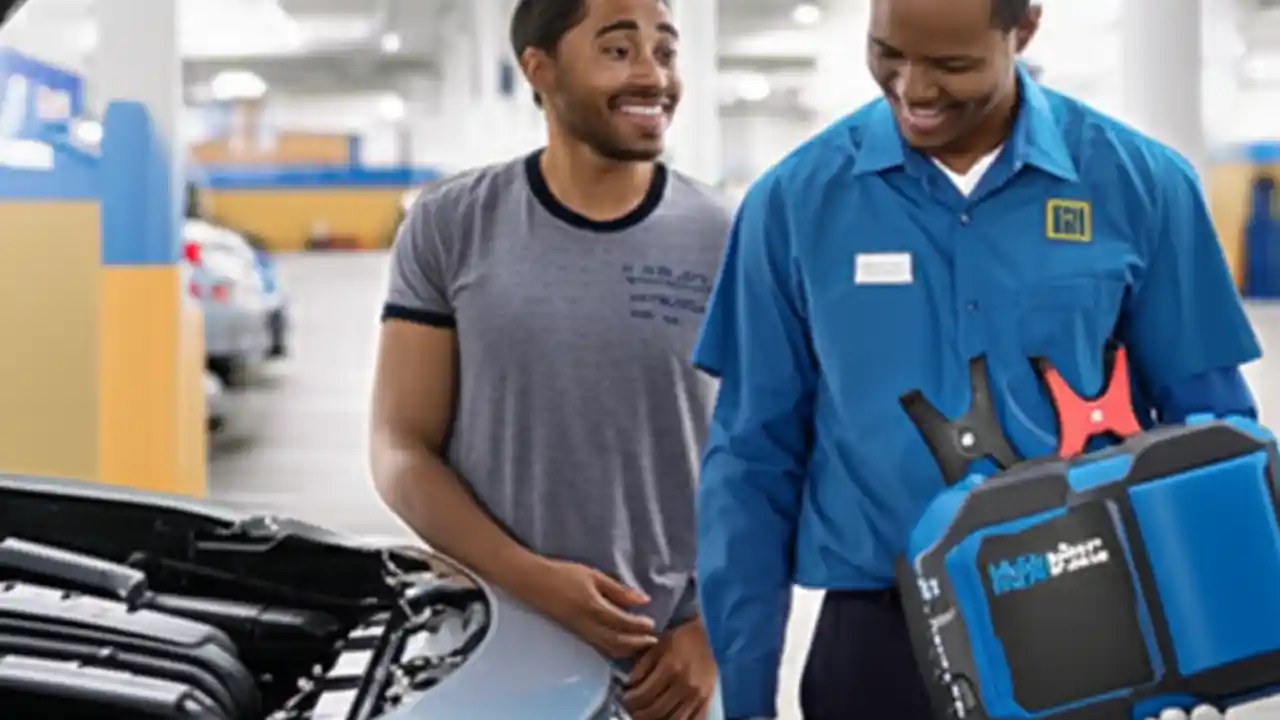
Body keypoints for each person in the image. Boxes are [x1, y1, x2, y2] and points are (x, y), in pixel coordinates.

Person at [689, 0, 1263, 718]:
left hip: (1094, 623)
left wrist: (1209, 658)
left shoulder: (1139, 185)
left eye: (951, 65)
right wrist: (745, 697)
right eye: (888, 53)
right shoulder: (794, 203)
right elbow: (751, 458)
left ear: (1023, 30)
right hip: (878, 641)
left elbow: (1213, 434)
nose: (913, 89)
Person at [368, 0, 731, 718]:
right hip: (492, 641)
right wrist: (529, 578)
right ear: (540, 69)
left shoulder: (727, 236)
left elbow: (775, 457)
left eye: (665, 51)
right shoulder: (452, 224)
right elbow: (400, 447)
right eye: (619, 51)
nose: (652, 75)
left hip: (673, 669)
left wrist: (718, 628)